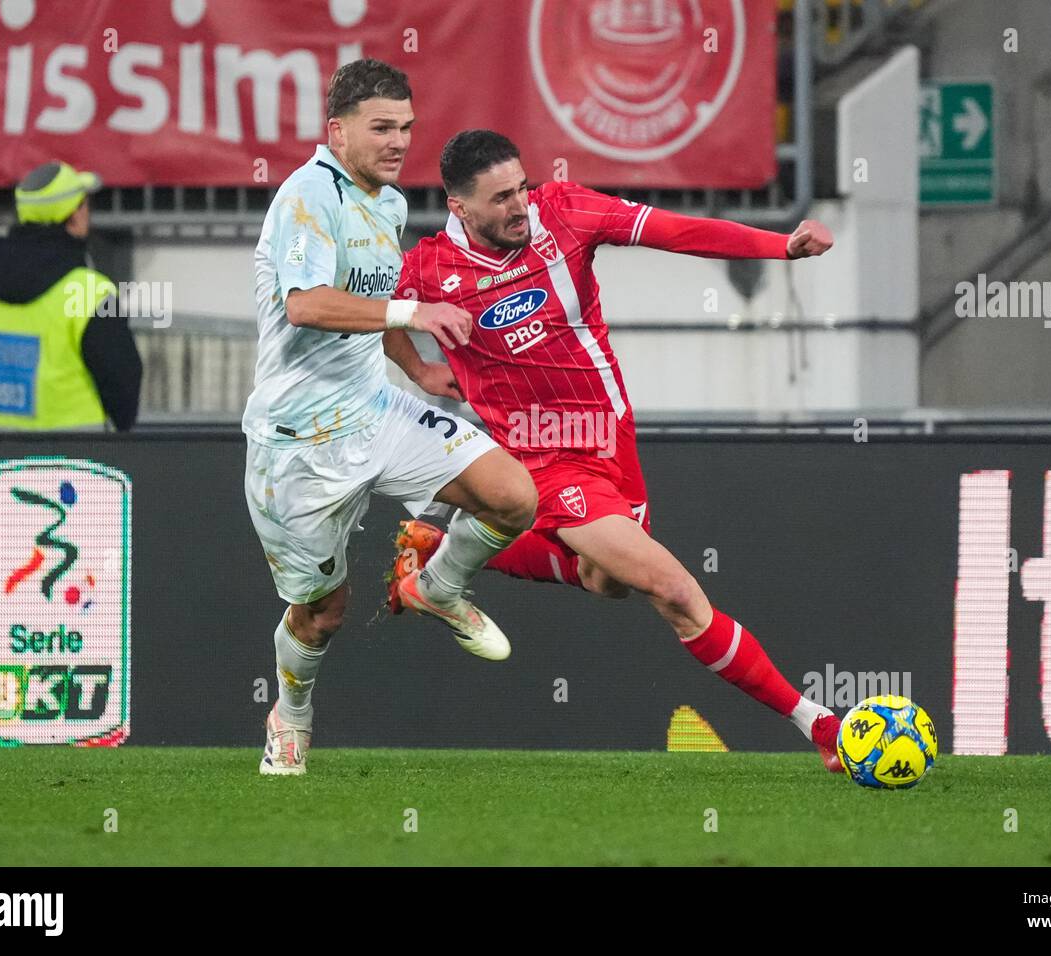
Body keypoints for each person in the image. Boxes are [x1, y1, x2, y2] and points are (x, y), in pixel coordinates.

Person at [384, 129, 843, 771]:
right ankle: (819, 724)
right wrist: (419, 370)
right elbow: (374, 312)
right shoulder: (429, 268)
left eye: (521, 187)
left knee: (606, 581)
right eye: (501, 198)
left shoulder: (565, 212)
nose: (521, 206)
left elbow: (677, 232)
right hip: (539, 459)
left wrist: (781, 246)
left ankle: (447, 549)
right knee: (676, 594)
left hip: (610, 440)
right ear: (460, 207)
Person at [244, 67, 537, 776]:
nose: (399, 141)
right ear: (336, 130)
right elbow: (309, 304)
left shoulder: (390, 206)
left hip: (377, 410)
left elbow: (376, 306)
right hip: (298, 448)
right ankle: (292, 714)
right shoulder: (309, 197)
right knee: (323, 615)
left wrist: (415, 367)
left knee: (513, 496)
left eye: (406, 127)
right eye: (382, 127)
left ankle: (438, 585)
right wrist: (414, 315)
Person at [0, 161, 141, 431]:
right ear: (74, 215)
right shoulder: (88, 293)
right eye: (84, 203)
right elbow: (123, 381)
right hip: (75, 459)